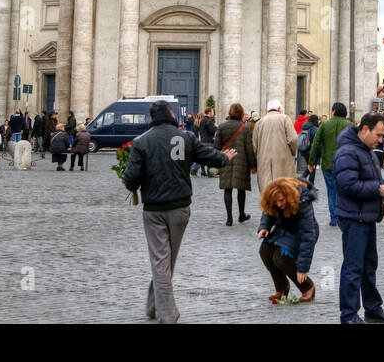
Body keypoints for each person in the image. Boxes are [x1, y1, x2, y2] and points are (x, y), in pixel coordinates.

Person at [122, 100, 236, 323]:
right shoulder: (187, 137)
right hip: (180, 209)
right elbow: (209, 156)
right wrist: (225, 157)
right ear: (171, 114)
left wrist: (136, 182)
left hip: (154, 210)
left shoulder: (141, 142)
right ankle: (160, 308)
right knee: (166, 260)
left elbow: (130, 180)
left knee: (161, 261)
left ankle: (166, 313)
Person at [333, 113, 384, 324]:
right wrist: (378, 189)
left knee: (369, 266)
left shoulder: (368, 151)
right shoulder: (347, 152)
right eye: (378, 135)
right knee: (353, 268)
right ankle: (349, 315)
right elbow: (347, 185)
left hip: (367, 216)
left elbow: (371, 179)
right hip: (354, 218)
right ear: (364, 130)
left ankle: (372, 308)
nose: (381, 140)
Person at [258, 176, 319, 304]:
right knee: (265, 250)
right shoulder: (275, 201)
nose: (279, 205)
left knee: (281, 257)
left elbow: (308, 235)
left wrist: (302, 267)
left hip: (302, 232)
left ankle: (308, 287)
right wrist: (264, 227)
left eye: (281, 200)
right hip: (284, 229)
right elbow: (268, 212)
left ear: (289, 195)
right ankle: (282, 288)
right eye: (276, 202)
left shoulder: (303, 202)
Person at [307, 102, 354, 226]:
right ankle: (344, 215)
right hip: (346, 164)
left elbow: (315, 144)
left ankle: (334, 218)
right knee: (344, 190)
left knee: (331, 190)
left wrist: (311, 161)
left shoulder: (324, 125)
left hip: (328, 163)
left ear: (333, 111)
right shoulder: (350, 125)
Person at [214, 103, 256, 226]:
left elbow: (216, 146)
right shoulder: (245, 128)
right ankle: (241, 214)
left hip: (226, 159)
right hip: (241, 161)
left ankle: (229, 218)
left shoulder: (221, 127)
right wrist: (253, 165)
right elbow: (249, 148)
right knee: (241, 189)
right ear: (241, 114)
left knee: (227, 189)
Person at [252, 99, 298, 192]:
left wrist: (256, 160)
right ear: (279, 108)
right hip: (283, 161)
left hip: (264, 162)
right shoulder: (285, 119)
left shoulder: (259, 123)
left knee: (268, 193)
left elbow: (254, 146)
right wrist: (293, 152)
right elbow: (293, 139)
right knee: (284, 191)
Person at [295, 112, 319, 176]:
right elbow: (316, 141)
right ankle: (302, 179)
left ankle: (309, 182)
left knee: (310, 167)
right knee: (311, 167)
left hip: (304, 149)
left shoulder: (305, 126)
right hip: (311, 151)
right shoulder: (315, 129)